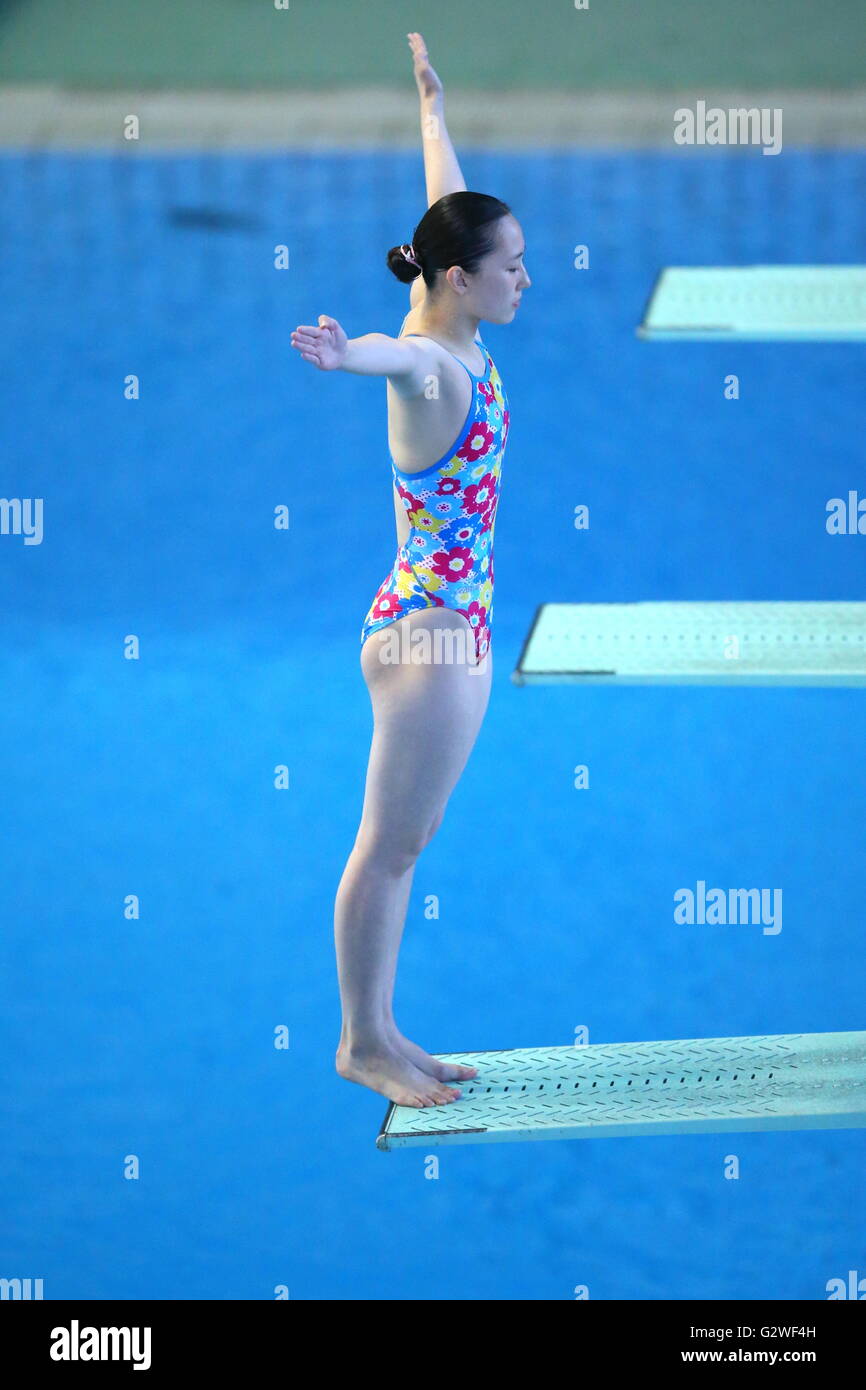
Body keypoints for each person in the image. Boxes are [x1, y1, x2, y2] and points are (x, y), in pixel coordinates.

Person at [291, 33, 530, 1108]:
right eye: (511, 266)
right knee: (387, 848)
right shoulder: (428, 362)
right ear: (460, 279)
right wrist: (347, 356)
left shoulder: (447, 313)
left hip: (447, 627)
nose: (525, 278)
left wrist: (433, 113)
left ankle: (384, 1028)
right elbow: (395, 360)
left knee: (409, 841)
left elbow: (444, 210)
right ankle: (359, 1042)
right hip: (427, 637)